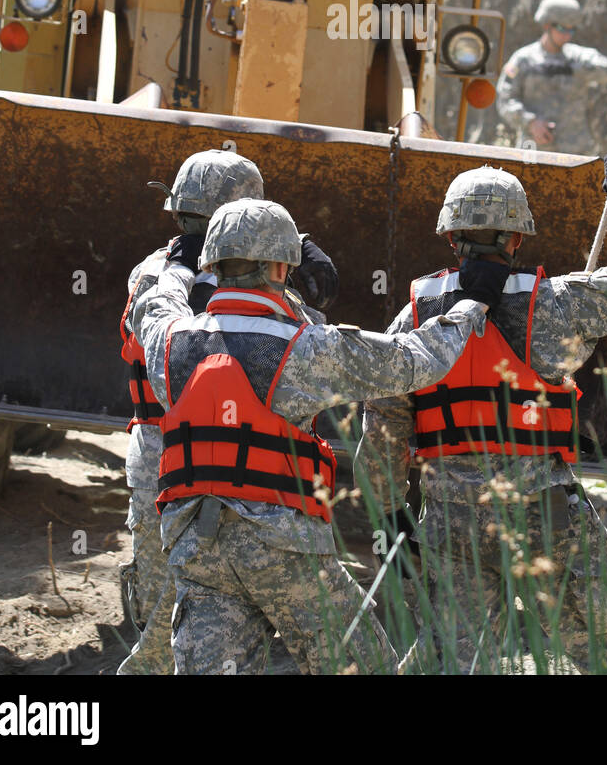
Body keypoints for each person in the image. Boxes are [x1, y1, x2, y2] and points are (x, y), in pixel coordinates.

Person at [128, 197, 504, 675]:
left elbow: (150, 302)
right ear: (282, 265)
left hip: (195, 550)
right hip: (283, 552)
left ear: (211, 263)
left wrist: (176, 264)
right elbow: (414, 360)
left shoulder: (171, 340)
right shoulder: (303, 348)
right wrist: (472, 304)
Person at [355, 160, 607, 674]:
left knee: (454, 659)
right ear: (518, 238)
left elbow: (384, 423)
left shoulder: (415, 316)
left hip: (452, 521)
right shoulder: (555, 305)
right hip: (545, 516)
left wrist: (390, 510)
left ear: (451, 235)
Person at [117, 148, 337, 675]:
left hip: (180, 451)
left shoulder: (156, 270)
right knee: (175, 606)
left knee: (185, 601)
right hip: (181, 453)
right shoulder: (165, 275)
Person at [496, 0, 607, 155]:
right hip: (534, 151)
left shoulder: (579, 57)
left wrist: (577, 67)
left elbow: (606, 72)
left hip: (576, 151)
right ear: (546, 25)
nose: (567, 35)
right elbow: (505, 99)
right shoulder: (523, 60)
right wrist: (530, 122)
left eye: (572, 30)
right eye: (562, 28)